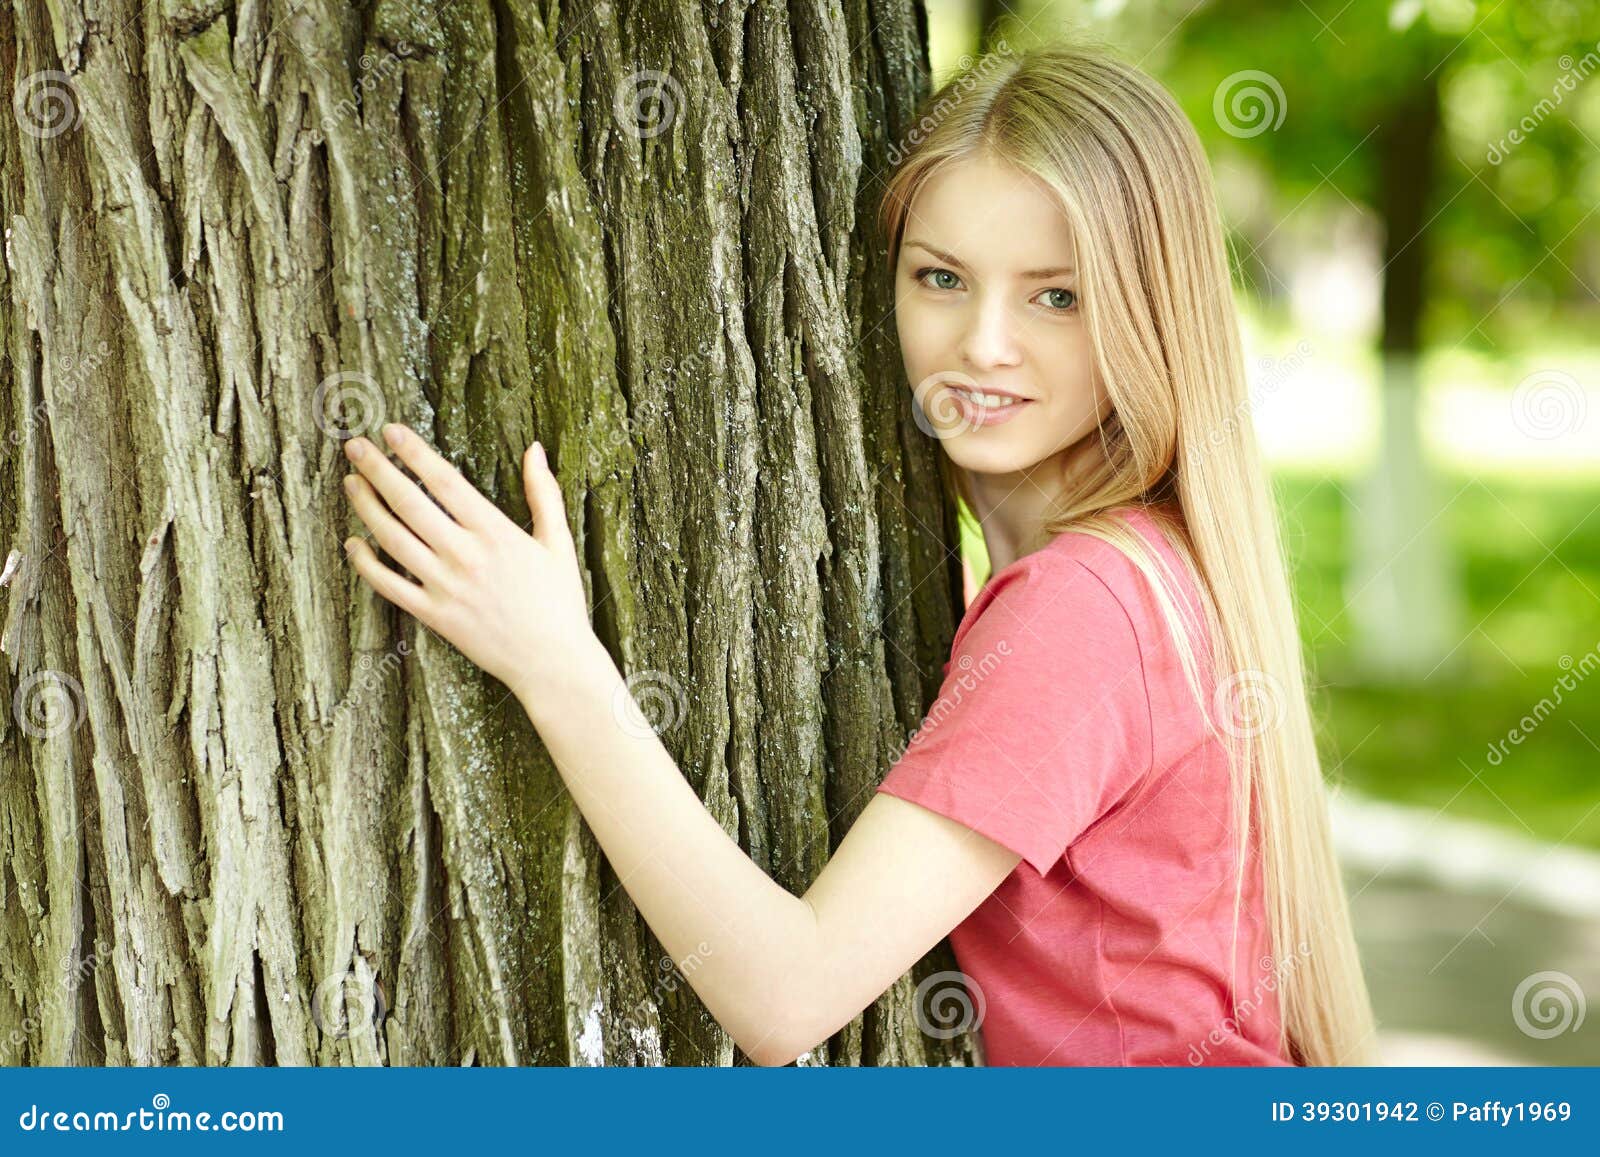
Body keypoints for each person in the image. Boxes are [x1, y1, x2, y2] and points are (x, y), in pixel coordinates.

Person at [337, 41, 1379, 1067]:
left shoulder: (1087, 606)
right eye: (940, 278)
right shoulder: (1140, 571)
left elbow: (787, 992)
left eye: (1054, 295)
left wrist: (554, 662)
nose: (984, 342)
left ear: (1150, 314)